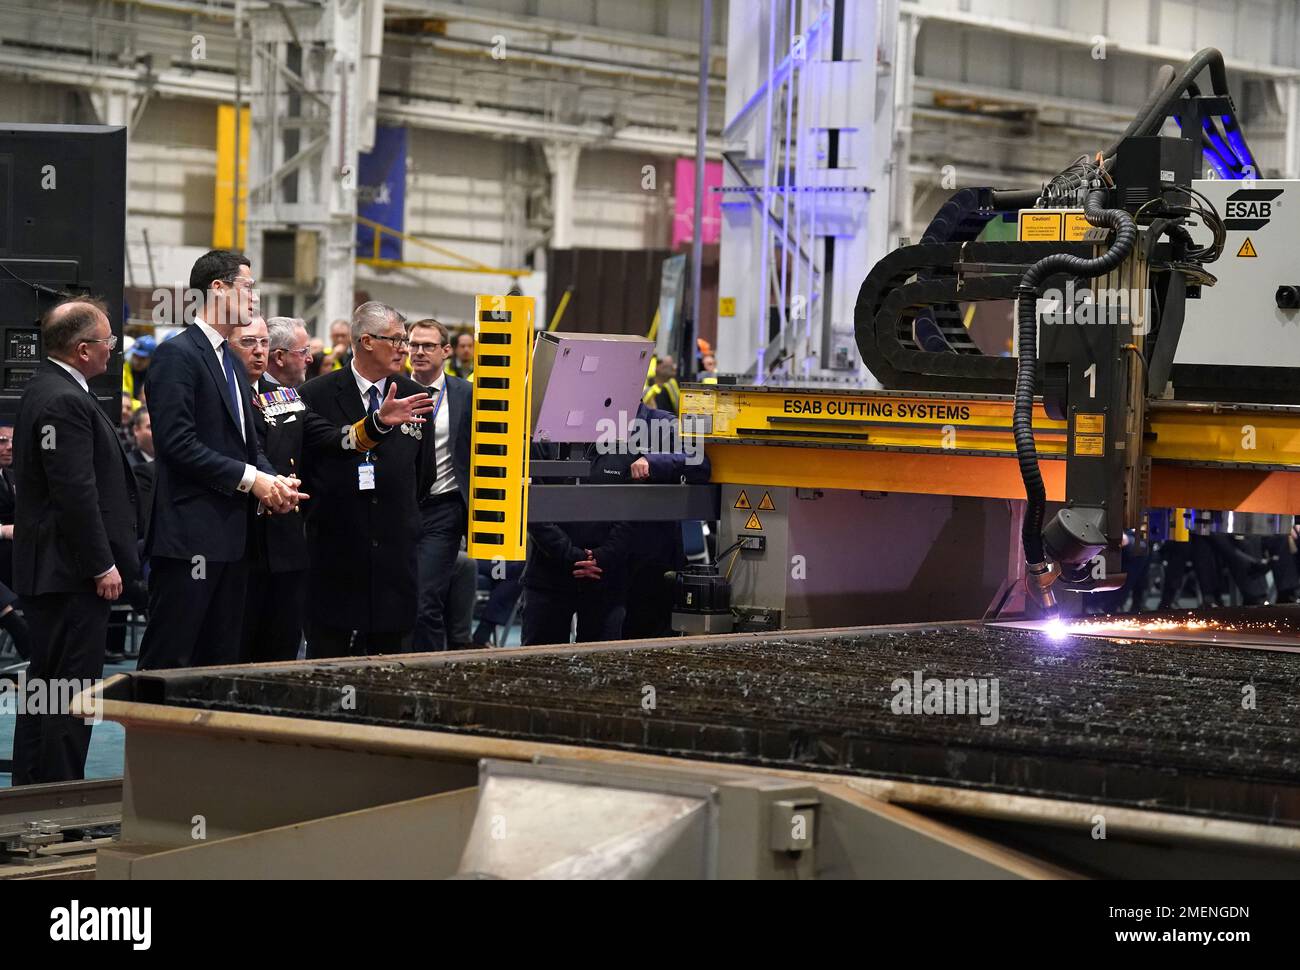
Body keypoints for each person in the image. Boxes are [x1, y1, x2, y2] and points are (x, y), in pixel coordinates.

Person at [136, 250, 304, 671]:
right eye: (248, 286)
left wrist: (273, 482)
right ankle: (153, 740)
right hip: (190, 537)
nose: (255, 296)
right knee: (170, 661)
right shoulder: (178, 355)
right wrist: (254, 481)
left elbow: (245, 443)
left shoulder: (228, 358)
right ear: (218, 288)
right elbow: (178, 445)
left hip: (233, 537)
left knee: (217, 664)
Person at [10, 297, 140, 784]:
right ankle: (59, 802)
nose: (113, 350)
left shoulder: (46, 387)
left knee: (46, 690)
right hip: (70, 574)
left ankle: (33, 799)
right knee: (70, 695)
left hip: (54, 571)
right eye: (108, 342)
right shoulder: (64, 398)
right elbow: (75, 493)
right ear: (84, 350)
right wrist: (101, 565)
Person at [298, 302, 434, 657]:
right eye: (398, 340)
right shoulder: (316, 394)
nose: (406, 348)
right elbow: (310, 467)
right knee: (327, 658)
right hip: (335, 548)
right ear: (367, 341)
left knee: (390, 664)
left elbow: (423, 475)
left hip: (394, 551)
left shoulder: (416, 396)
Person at [229, 316, 312, 663]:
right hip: (237, 538)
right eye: (250, 343)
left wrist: (373, 426)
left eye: (264, 343)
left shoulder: (286, 396)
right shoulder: (223, 394)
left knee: (280, 649)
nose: (259, 352)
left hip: (286, 541)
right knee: (235, 648)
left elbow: (317, 439)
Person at [407, 318, 473, 651]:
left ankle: (427, 677)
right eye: (413, 345)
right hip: (398, 509)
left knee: (424, 603)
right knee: (396, 600)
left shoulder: (466, 394)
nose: (419, 352)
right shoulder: (391, 390)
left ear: (446, 351)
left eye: (428, 346)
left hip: (442, 509)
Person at [620, 402, 712, 639]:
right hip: (606, 559)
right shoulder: (591, 425)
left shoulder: (661, 422)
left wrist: (653, 461)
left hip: (653, 558)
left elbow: (699, 462)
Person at [123, 335, 155, 402]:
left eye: (142, 358)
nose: (137, 361)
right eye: (135, 355)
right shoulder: (124, 370)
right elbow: (124, 401)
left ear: (151, 359)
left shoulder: (155, 375)